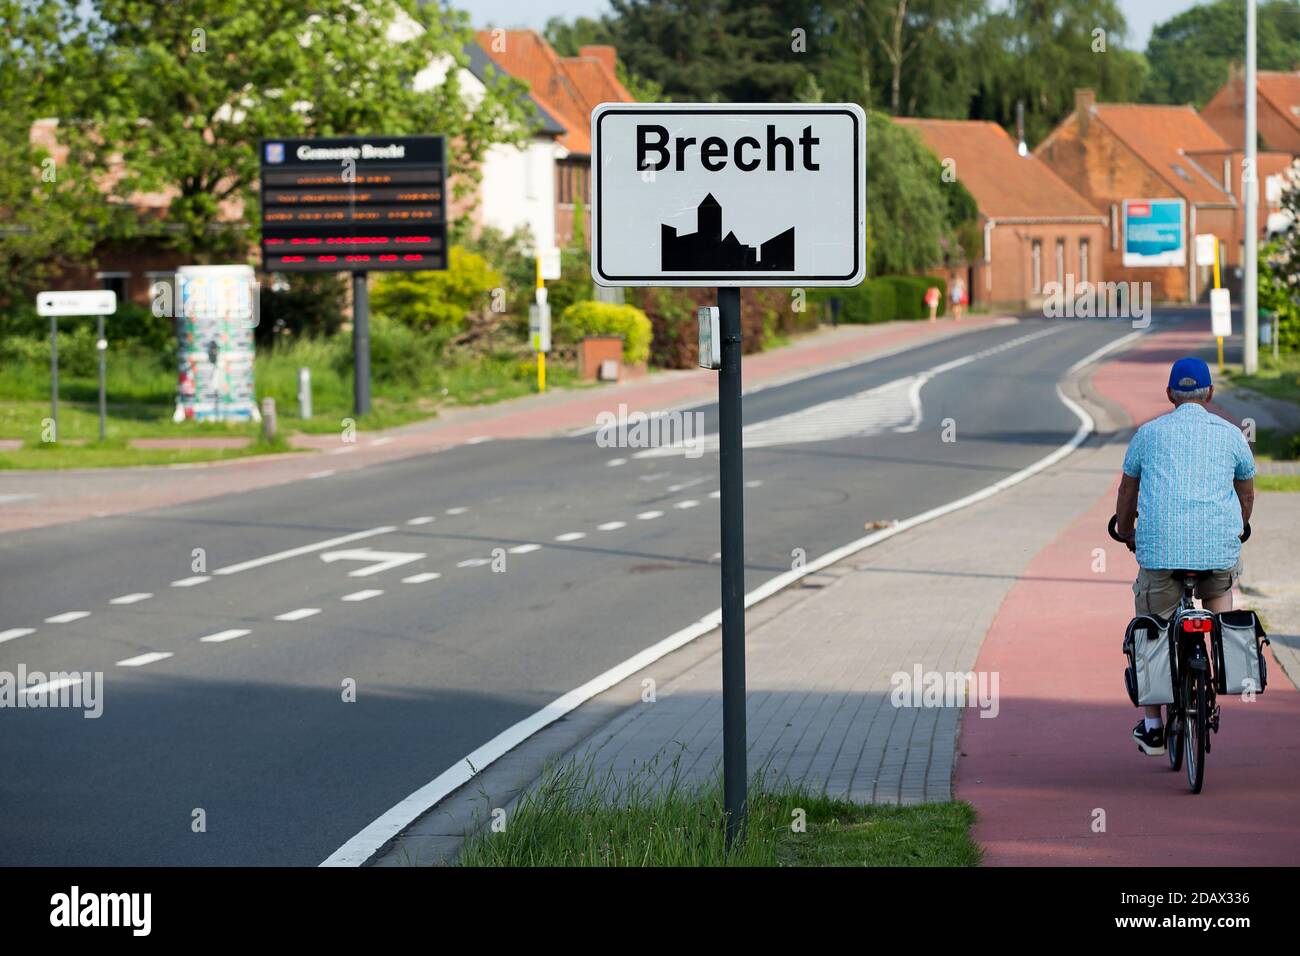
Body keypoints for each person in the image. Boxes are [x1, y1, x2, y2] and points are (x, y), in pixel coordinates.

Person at [1114, 357, 1256, 756]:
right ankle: (1220, 656)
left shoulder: (1148, 434)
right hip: (1217, 552)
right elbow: (1246, 492)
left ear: (1169, 395)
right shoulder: (1231, 436)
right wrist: (1239, 526)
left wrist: (1127, 533)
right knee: (1219, 602)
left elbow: (1127, 494)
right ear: (1210, 393)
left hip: (1160, 553)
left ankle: (1154, 726)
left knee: (1151, 628)